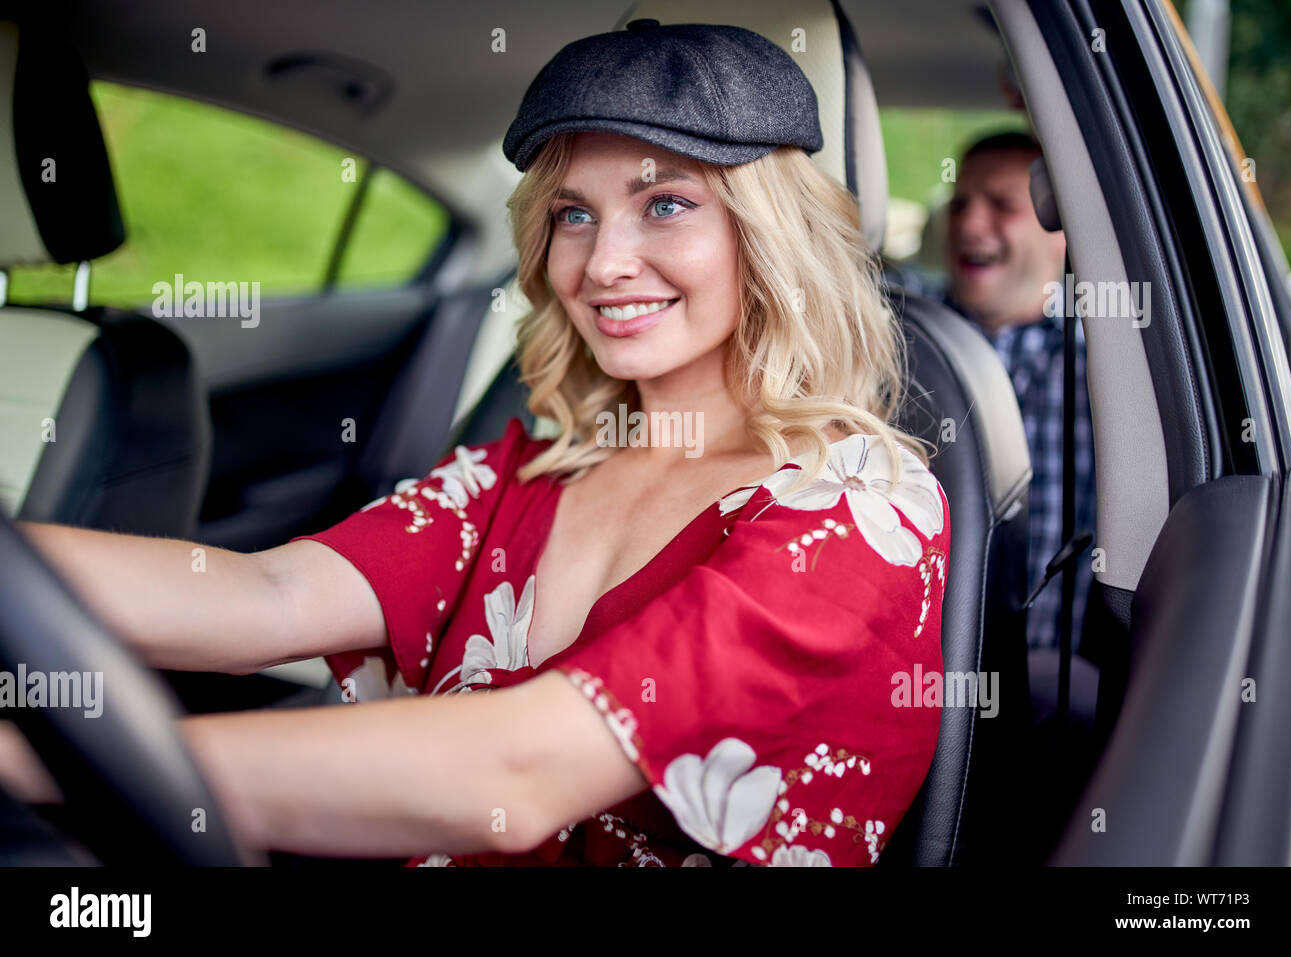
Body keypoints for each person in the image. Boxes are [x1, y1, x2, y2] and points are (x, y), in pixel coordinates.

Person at [1, 21, 949, 867]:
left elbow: (516, 774)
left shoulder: (856, 511)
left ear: (768, 233)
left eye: (665, 203)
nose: (602, 262)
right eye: (574, 213)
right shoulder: (525, 469)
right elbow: (268, 592)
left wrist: (47, 762)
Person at [943, 130, 1095, 657]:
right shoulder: (893, 340)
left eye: (1001, 205)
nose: (968, 222)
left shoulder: (1103, 370)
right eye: (959, 203)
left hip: (1044, 683)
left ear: (1062, 232)